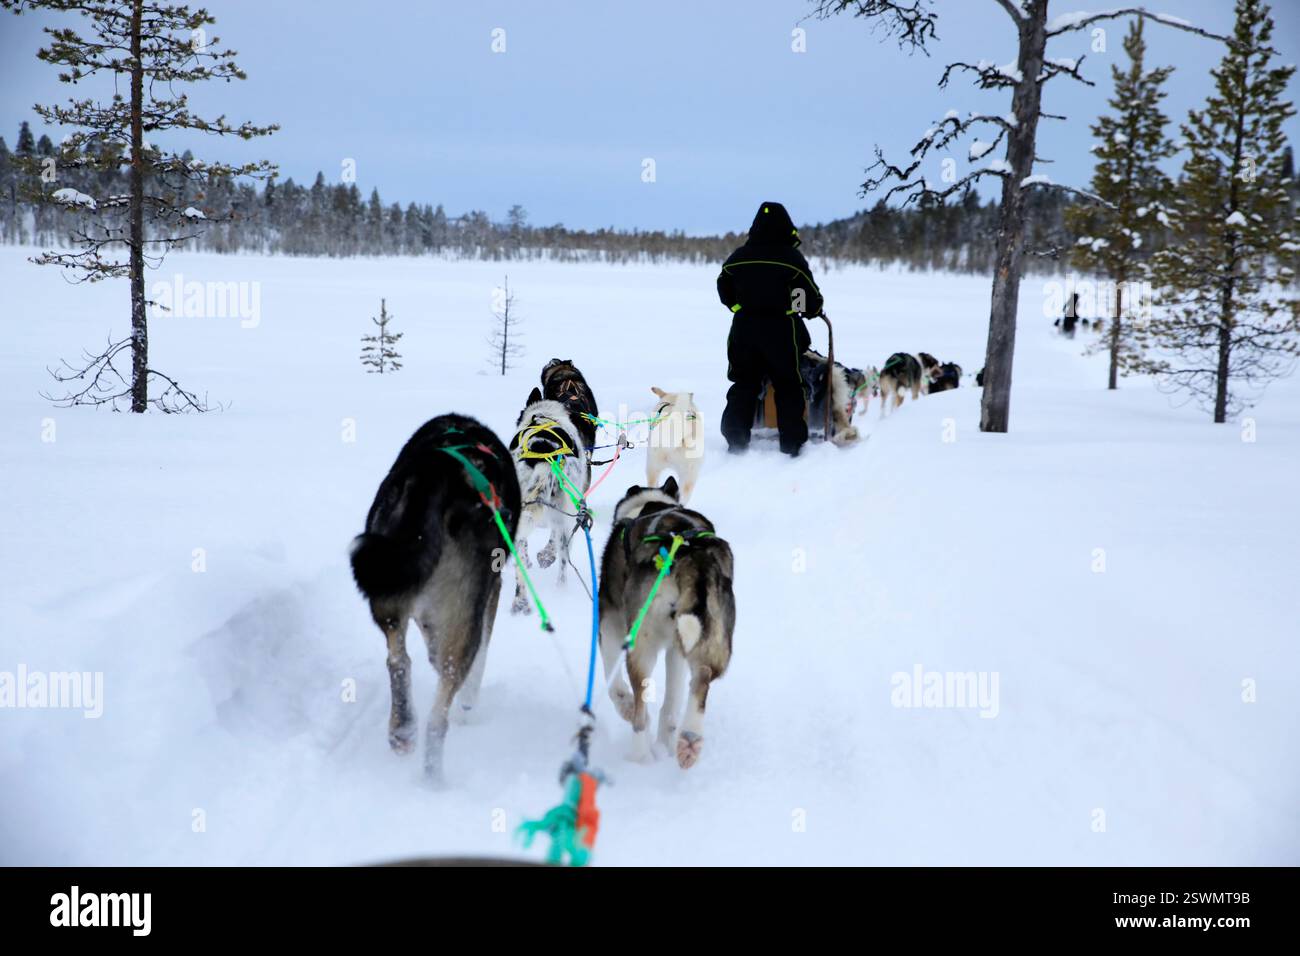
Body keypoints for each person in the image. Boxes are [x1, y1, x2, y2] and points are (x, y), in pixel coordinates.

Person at [716, 202, 824, 456]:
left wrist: (739, 307)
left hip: (744, 329)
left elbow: (724, 288)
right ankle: (792, 442)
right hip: (780, 330)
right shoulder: (791, 259)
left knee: (744, 383)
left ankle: (736, 438)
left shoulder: (738, 257)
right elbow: (806, 297)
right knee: (788, 384)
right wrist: (808, 310)